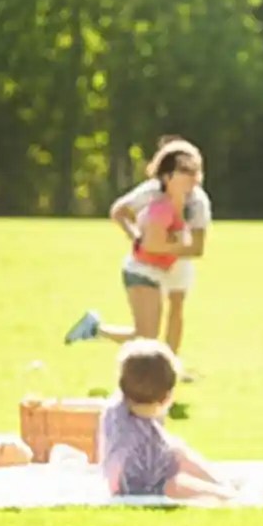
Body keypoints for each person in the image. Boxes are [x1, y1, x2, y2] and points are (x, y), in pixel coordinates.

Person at [77, 136, 212, 364]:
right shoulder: (151, 193)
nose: (192, 176)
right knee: (145, 336)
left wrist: (165, 247)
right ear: (166, 173)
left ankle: (169, 370)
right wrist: (137, 236)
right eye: (184, 170)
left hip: (178, 261)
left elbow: (197, 248)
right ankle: (96, 330)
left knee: (177, 309)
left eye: (195, 170)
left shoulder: (198, 202)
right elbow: (119, 211)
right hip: (146, 265)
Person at [98, 338, 233, 500]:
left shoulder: (117, 411)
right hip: (140, 487)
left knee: (176, 450)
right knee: (182, 478)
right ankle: (225, 491)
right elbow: (169, 476)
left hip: (118, 480)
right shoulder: (148, 442)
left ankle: (220, 482)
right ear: (167, 397)